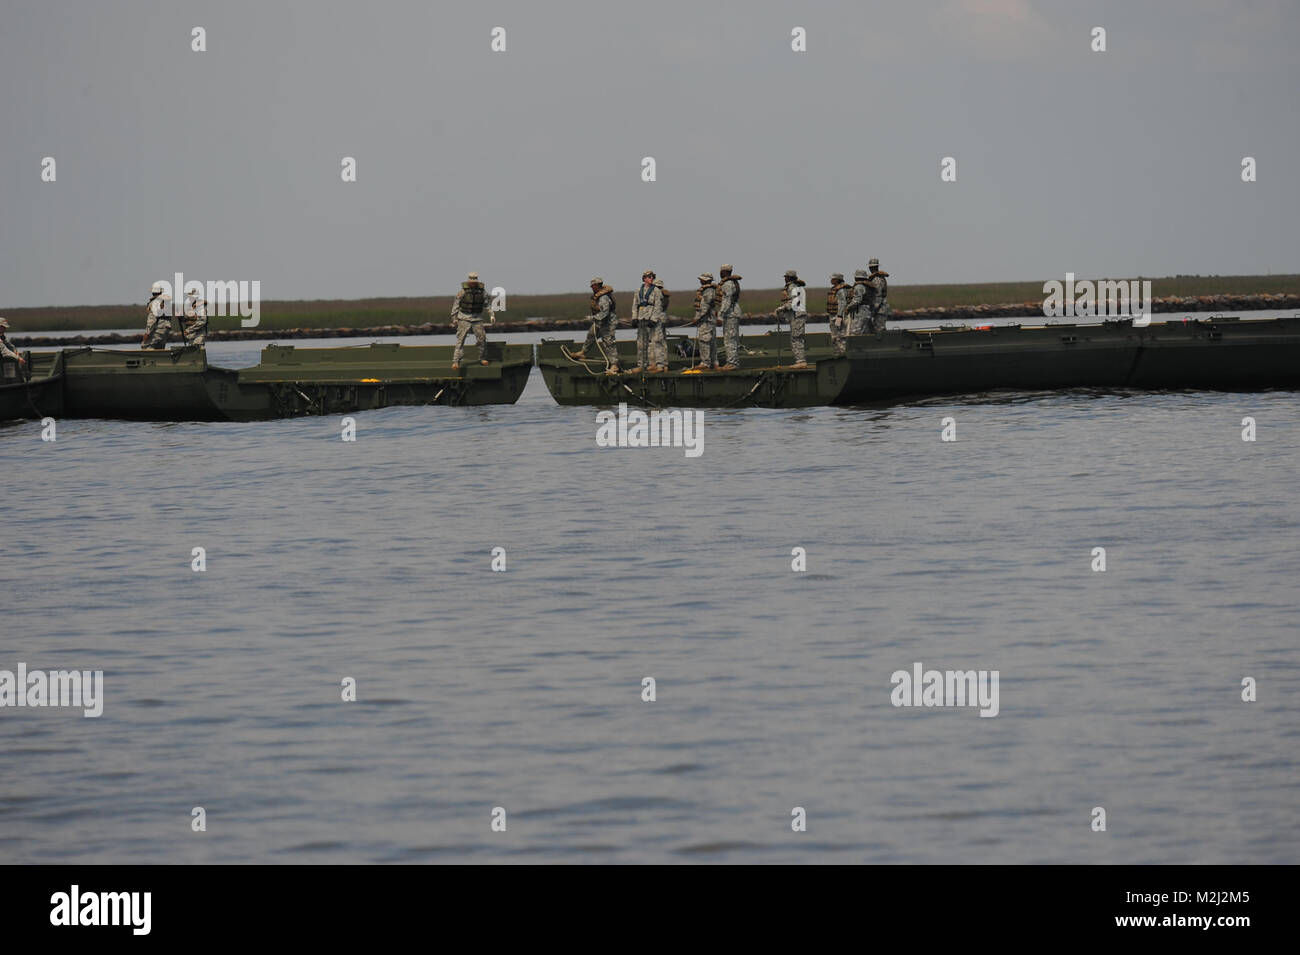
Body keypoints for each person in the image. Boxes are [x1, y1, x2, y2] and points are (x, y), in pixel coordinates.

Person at [451, 271, 494, 370]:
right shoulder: (462, 292)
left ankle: (482, 358)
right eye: (471, 278)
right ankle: (456, 361)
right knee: (460, 339)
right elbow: (456, 305)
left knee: (482, 339)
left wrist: (491, 314)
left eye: (475, 279)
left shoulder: (482, 292)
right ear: (468, 279)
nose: (473, 281)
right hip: (463, 317)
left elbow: (487, 304)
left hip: (477, 317)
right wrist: (454, 318)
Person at [577, 277, 620, 374]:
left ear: (598, 285)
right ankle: (583, 353)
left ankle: (614, 365)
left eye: (593, 286)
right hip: (600, 322)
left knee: (609, 342)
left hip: (608, 322)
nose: (592, 288)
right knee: (591, 335)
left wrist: (592, 318)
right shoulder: (598, 296)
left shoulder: (604, 297)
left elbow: (605, 313)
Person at [776, 269, 809, 368]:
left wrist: (781, 308)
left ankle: (801, 361)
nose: (785, 279)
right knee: (796, 338)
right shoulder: (796, 287)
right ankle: (800, 361)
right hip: (796, 316)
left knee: (796, 338)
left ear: (789, 278)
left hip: (797, 316)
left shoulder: (793, 287)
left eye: (786, 277)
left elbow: (794, 301)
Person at [631, 269, 659, 373]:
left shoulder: (656, 291)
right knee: (641, 344)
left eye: (652, 277)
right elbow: (635, 305)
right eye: (649, 277)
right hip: (641, 319)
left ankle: (653, 364)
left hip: (651, 320)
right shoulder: (638, 290)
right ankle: (641, 365)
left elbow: (658, 307)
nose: (651, 278)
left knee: (652, 343)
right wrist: (634, 317)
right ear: (644, 278)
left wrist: (654, 319)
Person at [716, 264, 743, 369]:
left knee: (730, 339)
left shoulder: (727, 284)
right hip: (733, 313)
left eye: (721, 271)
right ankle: (733, 362)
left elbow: (727, 301)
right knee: (732, 339)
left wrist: (720, 316)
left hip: (730, 314)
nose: (720, 273)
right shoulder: (732, 283)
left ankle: (732, 363)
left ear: (725, 272)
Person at [692, 272, 718, 369]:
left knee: (704, 340)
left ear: (706, 280)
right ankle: (714, 363)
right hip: (710, 319)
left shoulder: (708, 291)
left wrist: (697, 318)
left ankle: (705, 363)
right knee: (711, 341)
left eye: (701, 279)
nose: (700, 281)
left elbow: (704, 307)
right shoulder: (710, 290)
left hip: (706, 320)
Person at [826, 271, 851, 357]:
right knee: (835, 337)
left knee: (841, 336)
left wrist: (839, 316)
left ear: (837, 280)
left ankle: (843, 354)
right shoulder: (836, 289)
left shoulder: (841, 290)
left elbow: (842, 303)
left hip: (839, 316)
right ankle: (837, 354)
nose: (831, 280)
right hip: (834, 315)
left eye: (833, 278)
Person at [142, 281, 173, 349]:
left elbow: (152, 319)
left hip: (158, 328)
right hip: (166, 328)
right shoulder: (166, 303)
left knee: (146, 345)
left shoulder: (154, 303)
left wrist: (147, 333)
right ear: (161, 292)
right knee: (160, 348)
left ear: (153, 292)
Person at [648, 278, 670, 371]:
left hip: (657, 319)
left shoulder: (657, 295)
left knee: (656, 341)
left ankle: (658, 364)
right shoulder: (665, 295)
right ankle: (665, 364)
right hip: (663, 318)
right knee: (662, 341)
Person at [868, 257, 891, 332]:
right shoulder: (877, 278)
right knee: (879, 329)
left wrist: (872, 311)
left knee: (879, 330)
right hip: (880, 309)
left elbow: (878, 297)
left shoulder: (876, 280)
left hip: (880, 309)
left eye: (871, 267)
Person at [847, 268, 873, 335]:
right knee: (865, 333)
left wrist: (848, 307)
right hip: (867, 311)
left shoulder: (859, 286)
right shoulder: (868, 286)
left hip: (860, 313)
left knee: (855, 333)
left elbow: (857, 300)